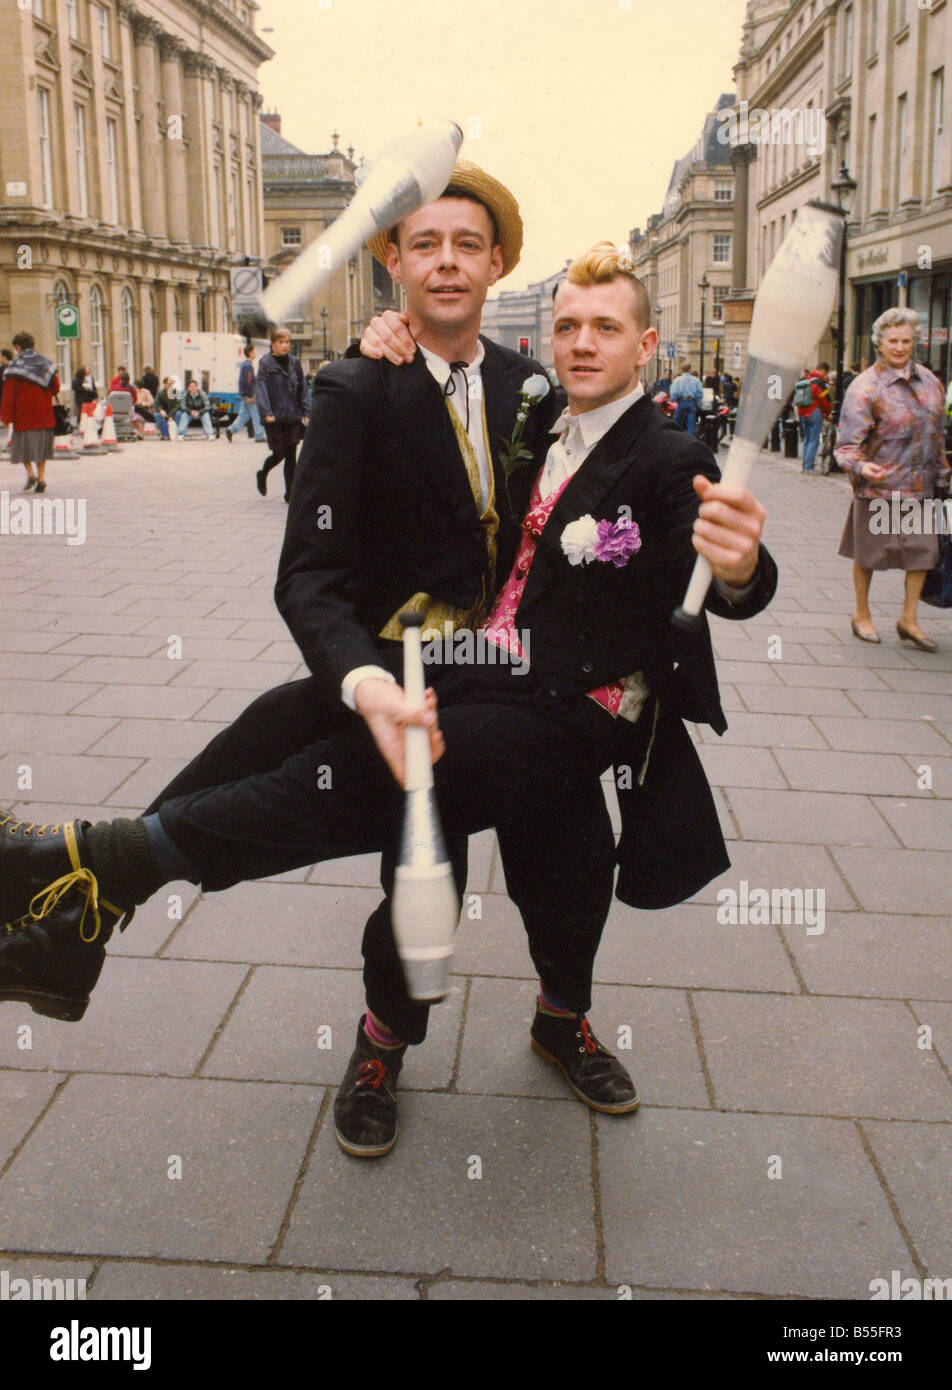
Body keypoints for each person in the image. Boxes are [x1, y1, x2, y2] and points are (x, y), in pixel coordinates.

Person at [0, 189, 774, 1160]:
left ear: (498, 265)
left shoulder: (538, 390)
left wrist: (738, 568)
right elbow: (310, 577)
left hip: (538, 695)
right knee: (304, 738)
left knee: (567, 875)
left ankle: (95, 869)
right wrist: (365, 681)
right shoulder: (359, 383)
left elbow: (705, 548)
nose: (447, 262)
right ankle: (364, 1034)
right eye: (423, 246)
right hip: (434, 667)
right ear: (392, 265)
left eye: (468, 245)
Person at [837, 307, 949, 650]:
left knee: (922, 554)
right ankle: (861, 614)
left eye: (906, 341)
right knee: (869, 555)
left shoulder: (930, 382)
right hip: (878, 489)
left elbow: (938, 436)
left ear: (914, 342)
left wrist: (944, 478)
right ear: (879, 344)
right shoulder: (865, 387)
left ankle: (908, 619)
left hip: (920, 487)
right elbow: (846, 445)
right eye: (893, 341)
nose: (900, 347)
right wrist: (861, 467)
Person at [0, 331, 60, 492]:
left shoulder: (14, 367)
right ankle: (41, 478)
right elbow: (55, 388)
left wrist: (6, 417)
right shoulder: (46, 364)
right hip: (43, 414)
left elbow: (9, 394)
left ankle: (30, 474)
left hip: (23, 415)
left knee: (22, 447)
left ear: (18, 347)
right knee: (41, 447)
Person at [254, 327, 309, 500]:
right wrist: (266, 412)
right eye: (281, 342)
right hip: (275, 417)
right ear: (273, 344)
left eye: (287, 342)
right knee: (279, 454)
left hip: (292, 416)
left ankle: (290, 494)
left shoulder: (294, 362)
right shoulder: (266, 363)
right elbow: (261, 389)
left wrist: (306, 411)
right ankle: (262, 473)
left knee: (291, 455)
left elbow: (303, 388)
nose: (285, 345)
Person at [793, 364, 831, 473]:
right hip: (814, 411)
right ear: (823, 371)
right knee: (814, 440)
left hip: (802, 411)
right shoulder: (819, 383)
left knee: (806, 439)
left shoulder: (806, 380)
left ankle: (805, 465)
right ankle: (809, 466)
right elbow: (825, 400)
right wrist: (828, 412)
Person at [225, 345, 266, 444]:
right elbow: (248, 382)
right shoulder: (248, 366)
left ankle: (231, 430)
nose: (256, 353)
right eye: (254, 351)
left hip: (244, 395)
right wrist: (250, 395)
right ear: (250, 353)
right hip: (250, 395)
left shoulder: (244, 365)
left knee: (244, 415)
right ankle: (259, 436)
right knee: (257, 414)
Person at [670, 361, 703, 435]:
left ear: (682, 370)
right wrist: (697, 402)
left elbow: (674, 393)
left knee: (677, 423)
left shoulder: (678, 380)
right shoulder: (696, 380)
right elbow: (700, 393)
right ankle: (690, 441)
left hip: (681, 401)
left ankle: (677, 438)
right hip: (691, 402)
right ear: (690, 369)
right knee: (691, 425)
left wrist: (675, 400)